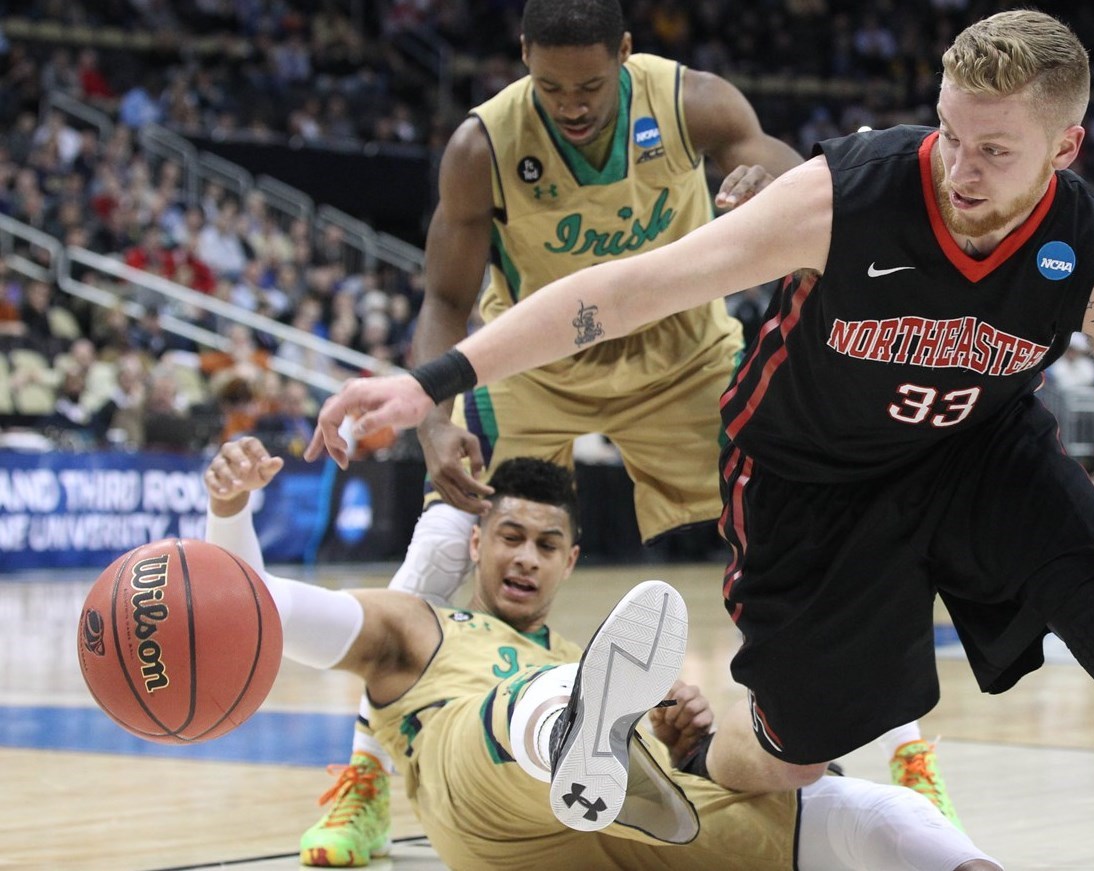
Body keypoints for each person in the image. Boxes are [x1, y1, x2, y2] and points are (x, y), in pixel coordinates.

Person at [305, 11, 1094, 869]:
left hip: (977, 454)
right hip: (808, 477)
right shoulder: (853, 195)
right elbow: (628, 291)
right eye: (953, 135)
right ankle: (678, 756)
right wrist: (431, 380)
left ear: (1065, 147)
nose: (961, 169)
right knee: (790, 752)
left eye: (994, 150)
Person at [311, 0, 956, 861]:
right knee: (447, 528)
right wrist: (432, 423)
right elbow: (442, 300)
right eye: (549, 85)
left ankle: (907, 758)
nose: (571, 103)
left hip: (683, 359)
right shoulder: (483, 145)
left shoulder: (692, 101)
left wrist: (760, 180)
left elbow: (769, 156)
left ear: (625, 52)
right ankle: (361, 784)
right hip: (536, 364)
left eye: (589, 83)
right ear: (522, 61)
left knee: (813, 531)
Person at [202, 438, 1094, 871]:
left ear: (570, 557)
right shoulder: (413, 629)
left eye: (546, 542)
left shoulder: (584, 643)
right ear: (478, 543)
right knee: (526, 714)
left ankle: (626, 747)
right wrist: (228, 510)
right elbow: (257, 618)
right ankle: (571, 731)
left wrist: (684, 738)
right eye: (508, 536)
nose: (523, 555)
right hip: (490, 810)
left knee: (863, 814)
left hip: (633, 829)